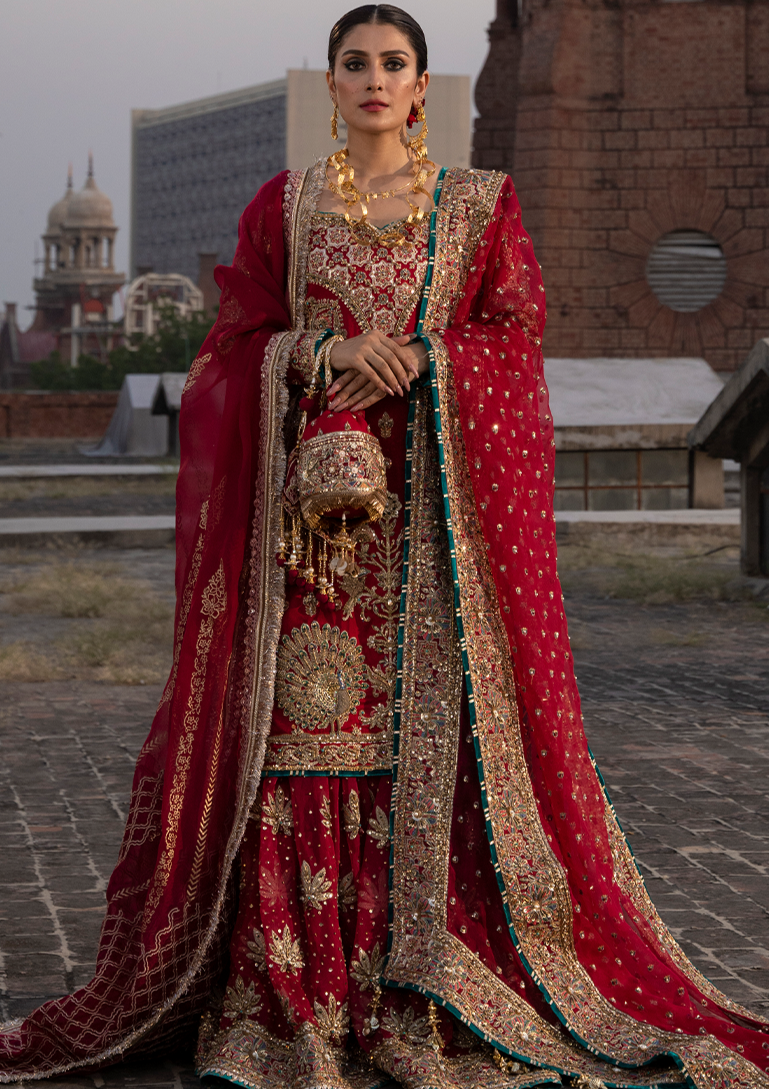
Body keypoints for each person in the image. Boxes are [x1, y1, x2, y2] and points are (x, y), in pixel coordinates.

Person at [2, 5, 769, 1088]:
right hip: (308, 535)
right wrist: (318, 353)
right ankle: (292, 989)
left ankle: (417, 980)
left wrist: (418, 358)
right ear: (331, 82)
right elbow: (236, 340)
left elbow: (512, 336)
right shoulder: (287, 204)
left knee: (424, 734)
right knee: (305, 731)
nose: (374, 79)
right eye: (354, 63)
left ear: (420, 84)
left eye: (393, 64)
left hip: (434, 535)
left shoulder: (477, 209)